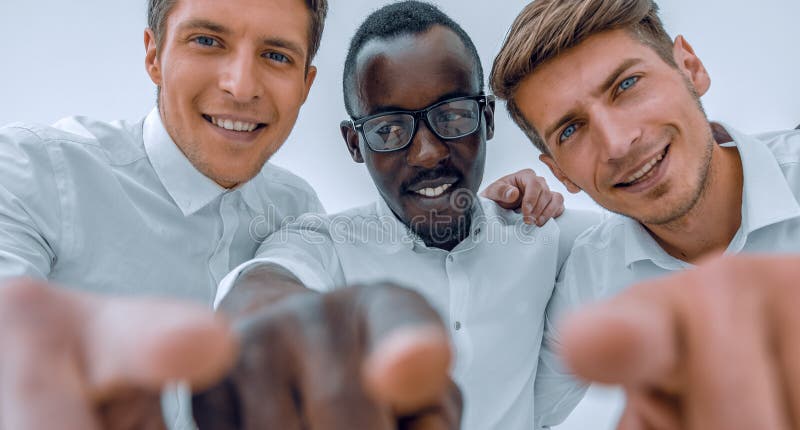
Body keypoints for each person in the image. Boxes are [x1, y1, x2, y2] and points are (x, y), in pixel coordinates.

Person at [0, 0, 562, 427]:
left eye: (275, 55)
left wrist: (478, 209)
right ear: (153, 54)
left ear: (304, 82)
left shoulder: (294, 207)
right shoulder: (30, 173)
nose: (240, 86)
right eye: (207, 40)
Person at [192, 3, 594, 429]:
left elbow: (650, 237)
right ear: (354, 144)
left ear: (486, 119)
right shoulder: (325, 245)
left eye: (453, 116)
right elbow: (269, 279)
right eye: (389, 130)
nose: (428, 153)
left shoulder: (548, 236)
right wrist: (275, 323)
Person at [487, 0, 800, 428]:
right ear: (560, 172)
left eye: (627, 84)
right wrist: (483, 241)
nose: (617, 143)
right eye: (571, 130)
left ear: (690, 67)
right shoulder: (591, 279)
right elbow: (510, 418)